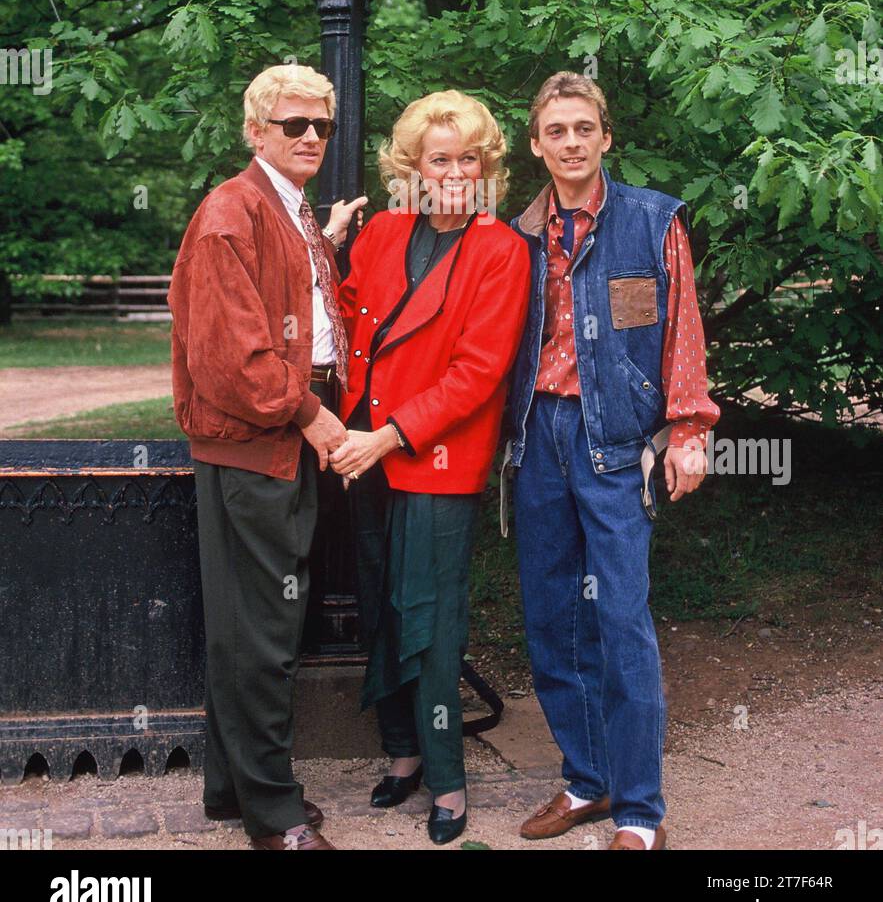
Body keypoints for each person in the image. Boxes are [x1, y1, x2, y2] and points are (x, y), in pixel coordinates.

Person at [507, 71, 720, 851]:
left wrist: (690, 426)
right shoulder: (518, 233)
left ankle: (638, 810)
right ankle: (586, 779)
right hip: (537, 443)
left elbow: (681, 330)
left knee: (621, 622)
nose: (569, 142)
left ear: (605, 137)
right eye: (555, 131)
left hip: (614, 448)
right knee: (553, 619)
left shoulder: (649, 220)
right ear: (536, 145)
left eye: (582, 128)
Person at [168, 63, 365, 852]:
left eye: (321, 124)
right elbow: (233, 359)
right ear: (256, 132)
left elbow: (292, 305)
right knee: (261, 632)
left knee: (252, 624)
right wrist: (315, 416)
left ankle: (232, 789)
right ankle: (273, 814)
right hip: (260, 441)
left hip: (277, 437)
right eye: (292, 125)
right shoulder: (231, 212)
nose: (311, 136)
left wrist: (327, 239)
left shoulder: (286, 213)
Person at [328, 90, 530, 845]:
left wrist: (385, 435)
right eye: (436, 158)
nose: (451, 171)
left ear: (486, 166)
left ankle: (447, 780)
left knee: (431, 619)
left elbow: (477, 375)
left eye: (465, 158)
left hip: (432, 459)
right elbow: (345, 320)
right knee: (380, 604)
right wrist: (324, 241)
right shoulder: (381, 231)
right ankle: (403, 753)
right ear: (411, 166)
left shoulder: (501, 249)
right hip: (363, 454)